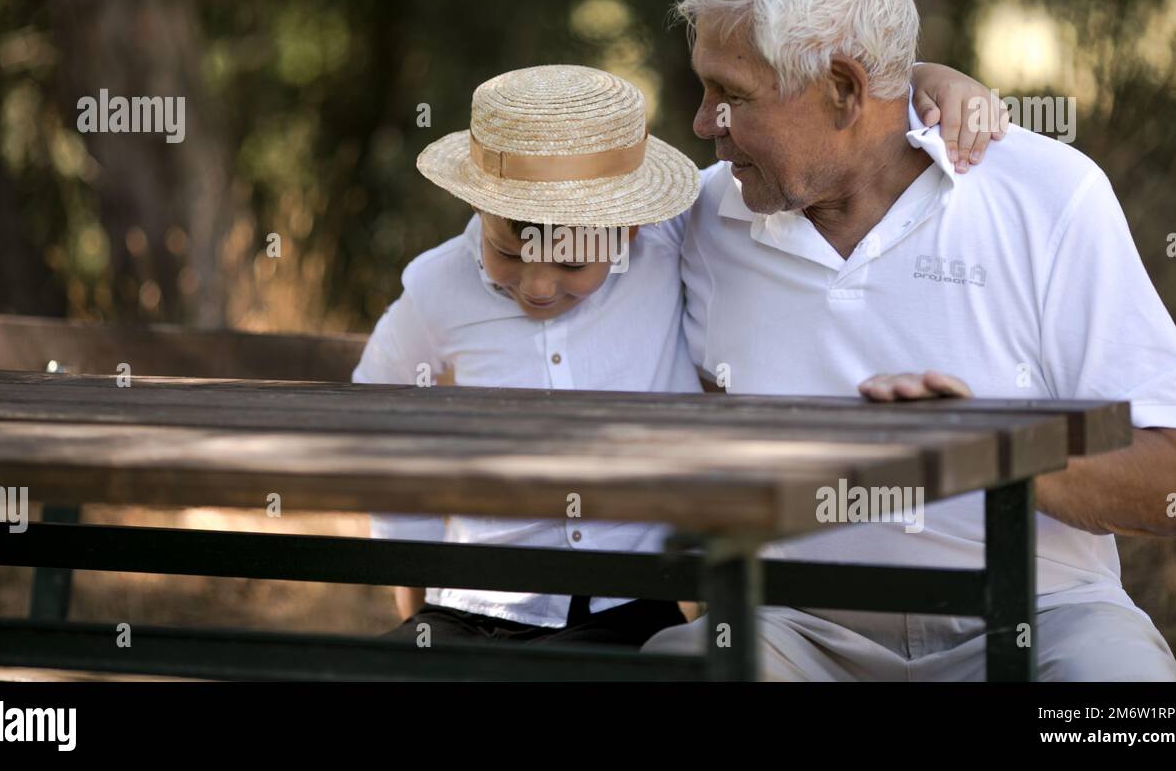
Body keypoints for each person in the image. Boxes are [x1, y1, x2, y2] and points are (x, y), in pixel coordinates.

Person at [640, 0, 1176, 679]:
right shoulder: (701, 218)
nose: (705, 122)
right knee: (682, 671)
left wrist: (986, 451)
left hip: (1040, 614)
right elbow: (538, 249)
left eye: (732, 95)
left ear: (843, 89)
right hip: (798, 627)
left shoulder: (1049, 195)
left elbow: (1171, 482)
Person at [355, 59, 1002, 647]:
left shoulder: (671, 243)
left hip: (631, 606)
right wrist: (416, 584)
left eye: (575, 260)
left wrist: (929, 80)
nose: (538, 284)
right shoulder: (438, 288)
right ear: (477, 204)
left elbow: (846, 99)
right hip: (475, 603)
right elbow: (372, 420)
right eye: (507, 252)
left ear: (632, 223)